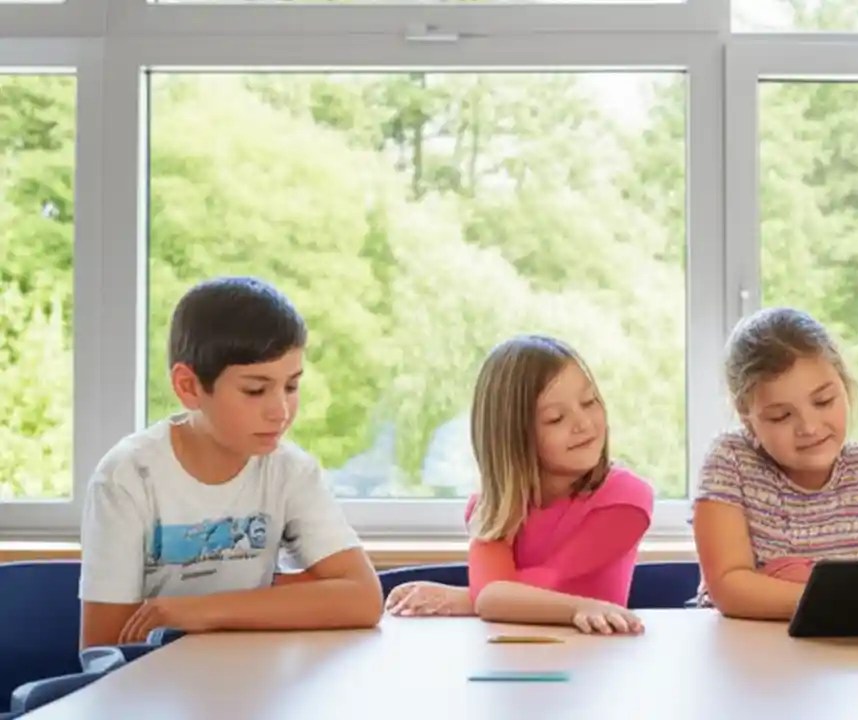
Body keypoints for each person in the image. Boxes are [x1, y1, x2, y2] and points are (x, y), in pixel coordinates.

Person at [79, 277, 382, 649]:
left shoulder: (289, 471)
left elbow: (364, 598)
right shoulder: (127, 478)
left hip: (251, 684)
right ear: (189, 387)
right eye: (255, 390)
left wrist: (197, 612)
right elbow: (103, 649)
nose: (280, 412)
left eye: (291, 386)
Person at [385, 335, 654, 634]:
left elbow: (538, 584)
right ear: (514, 438)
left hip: (597, 660)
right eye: (555, 418)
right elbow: (492, 595)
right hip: (508, 659)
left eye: (590, 402)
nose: (583, 423)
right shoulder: (491, 509)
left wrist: (462, 599)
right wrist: (482, 598)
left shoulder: (627, 499)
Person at [692, 307, 858, 620]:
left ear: (845, 386)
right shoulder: (731, 462)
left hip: (854, 654)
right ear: (747, 419)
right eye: (781, 416)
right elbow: (729, 585)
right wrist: (844, 597)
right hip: (750, 651)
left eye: (823, 402)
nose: (809, 427)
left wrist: (818, 593)